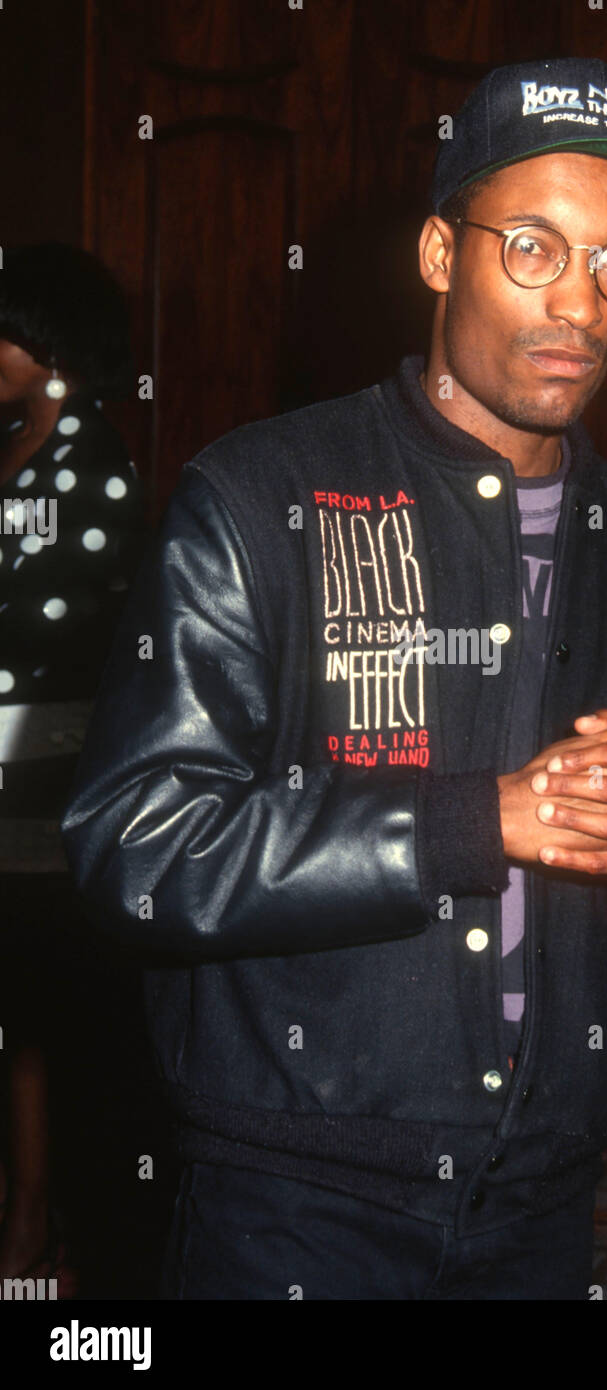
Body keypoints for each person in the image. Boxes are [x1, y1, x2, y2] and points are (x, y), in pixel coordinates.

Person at [60, 57, 607, 1300]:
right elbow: (135, 850)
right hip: (295, 1194)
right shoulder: (258, 498)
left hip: (546, 1192)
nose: (582, 307)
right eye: (533, 248)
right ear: (441, 254)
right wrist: (471, 818)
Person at [0, 242, 146, 1288]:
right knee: (28, 1022)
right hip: (17, 793)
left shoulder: (89, 465)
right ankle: (31, 1215)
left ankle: (60, 1233)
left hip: (53, 800)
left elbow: (45, 624)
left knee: (61, 1019)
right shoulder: (25, 444)